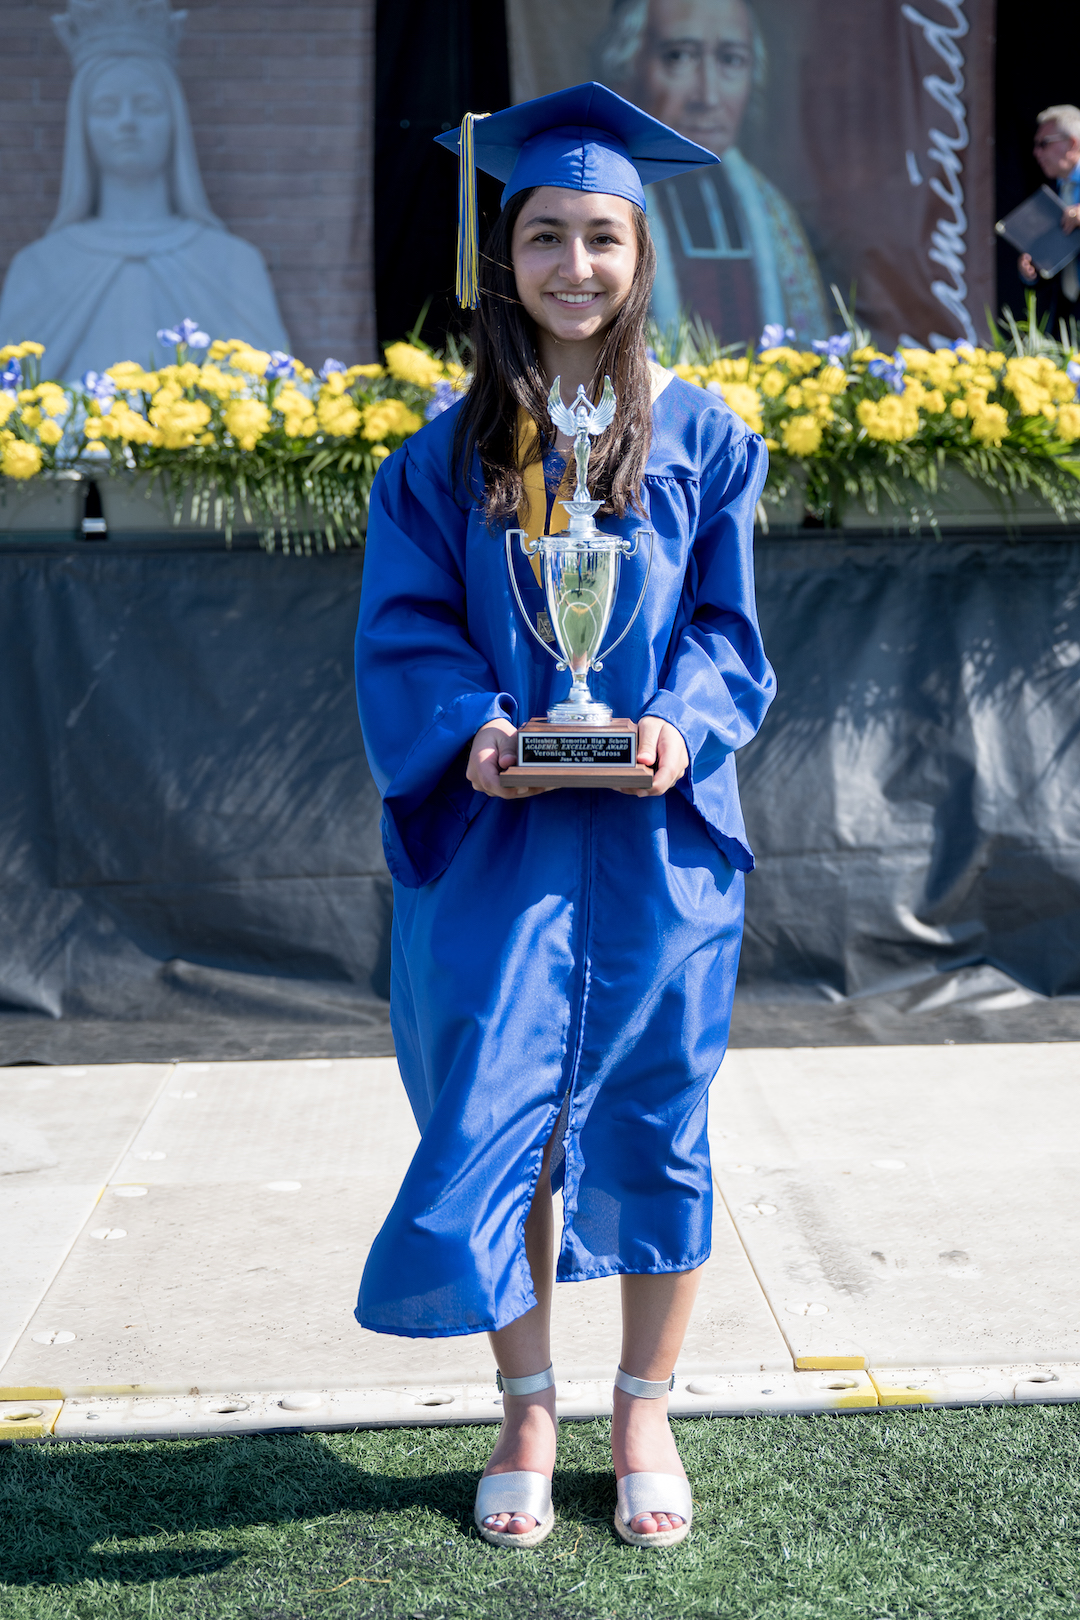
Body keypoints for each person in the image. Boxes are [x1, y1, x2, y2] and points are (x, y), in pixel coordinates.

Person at [354, 81, 774, 1551]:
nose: (575, 266)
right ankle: (526, 1403)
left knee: (658, 1118)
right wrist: (472, 729)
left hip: (656, 847)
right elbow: (404, 634)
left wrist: (683, 722)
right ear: (505, 258)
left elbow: (730, 636)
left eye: (603, 237)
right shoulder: (442, 454)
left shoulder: (706, 441)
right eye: (545, 237)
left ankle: (643, 1405)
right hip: (503, 848)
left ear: (641, 256)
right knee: (500, 1121)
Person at [0, 0, 288, 381]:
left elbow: (281, 399)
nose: (127, 123)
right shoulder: (39, 268)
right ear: (81, 126)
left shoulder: (232, 263)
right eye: (106, 106)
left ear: (175, 120)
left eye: (146, 105)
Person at [595, 0, 829, 344]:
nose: (707, 96)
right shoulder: (600, 201)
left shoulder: (773, 214)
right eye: (679, 57)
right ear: (628, 69)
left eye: (731, 60)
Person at [1018, 104, 1080, 315]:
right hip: (1068, 315)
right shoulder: (1053, 192)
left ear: (1072, 143)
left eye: (1043, 143)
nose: (1036, 152)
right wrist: (1033, 270)